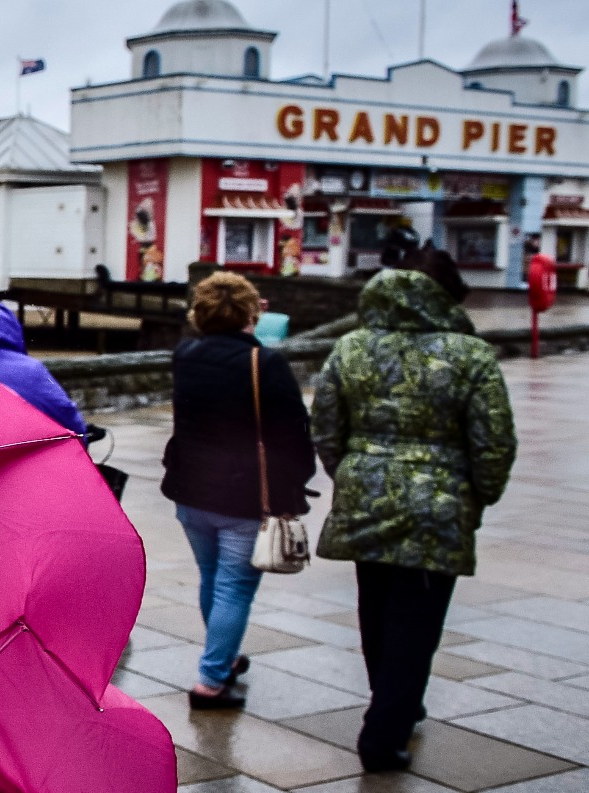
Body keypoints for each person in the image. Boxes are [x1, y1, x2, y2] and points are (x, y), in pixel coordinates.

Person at [312, 250, 514, 773]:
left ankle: (392, 701)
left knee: (376, 612)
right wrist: (479, 496)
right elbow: (493, 442)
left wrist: (353, 473)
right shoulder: (471, 355)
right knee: (416, 624)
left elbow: (326, 427)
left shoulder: (351, 347)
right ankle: (384, 734)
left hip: (365, 494)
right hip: (437, 506)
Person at [160, 271, 315, 710]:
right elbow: (293, 433)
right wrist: (296, 485)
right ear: (251, 312)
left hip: (191, 489)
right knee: (233, 587)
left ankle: (224, 658)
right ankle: (211, 681)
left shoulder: (186, 354)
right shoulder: (265, 363)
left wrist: (241, 316)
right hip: (244, 496)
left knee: (213, 578)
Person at [0, 300, 86, 438]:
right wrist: (82, 438)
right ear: (11, 328)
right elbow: (65, 413)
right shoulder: (31, 370)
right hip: (21, 446)